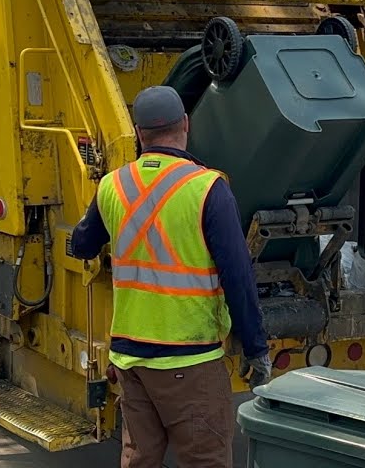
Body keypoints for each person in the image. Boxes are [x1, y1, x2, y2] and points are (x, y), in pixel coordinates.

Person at [68, 85, 270, 468]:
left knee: (140, 459)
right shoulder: (207, 188)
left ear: (139, 134)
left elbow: (82, 244)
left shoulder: (112, 185)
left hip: (131, 360)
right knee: (205, 460)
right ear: (186, 125)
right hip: (189, 360)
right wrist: (255, 347)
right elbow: (238, 278)